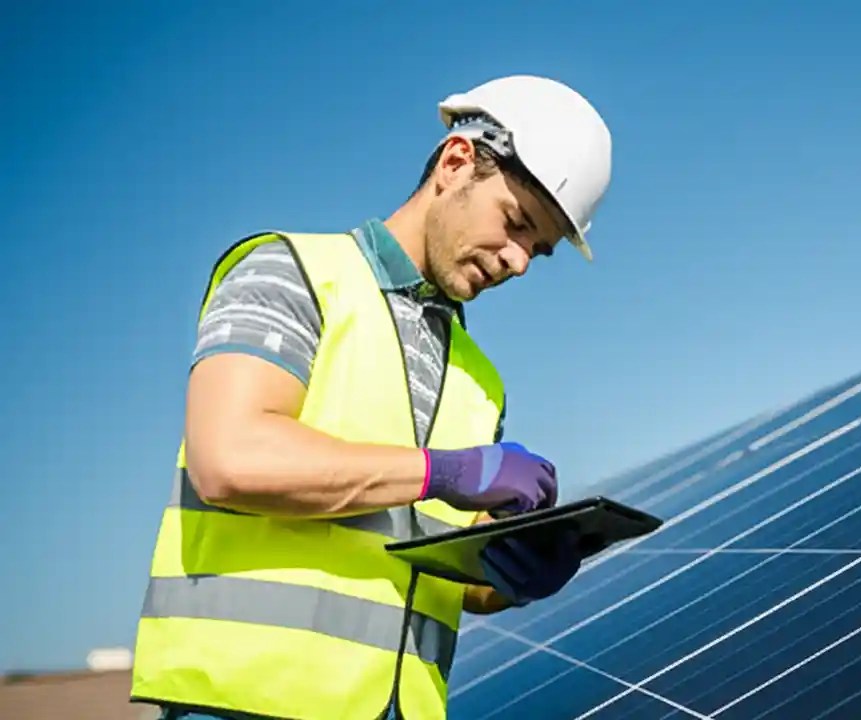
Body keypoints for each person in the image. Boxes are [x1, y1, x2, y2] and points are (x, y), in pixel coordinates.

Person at [129, 74, 613, 720]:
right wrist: (447, 471)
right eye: (516, 223)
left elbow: (434, 564)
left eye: (539, 249)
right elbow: (231, 457)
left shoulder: (480, 380)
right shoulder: (292, 272)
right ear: (456, 162)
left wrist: (510, 574)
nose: (519, 261)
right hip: (243, 707)